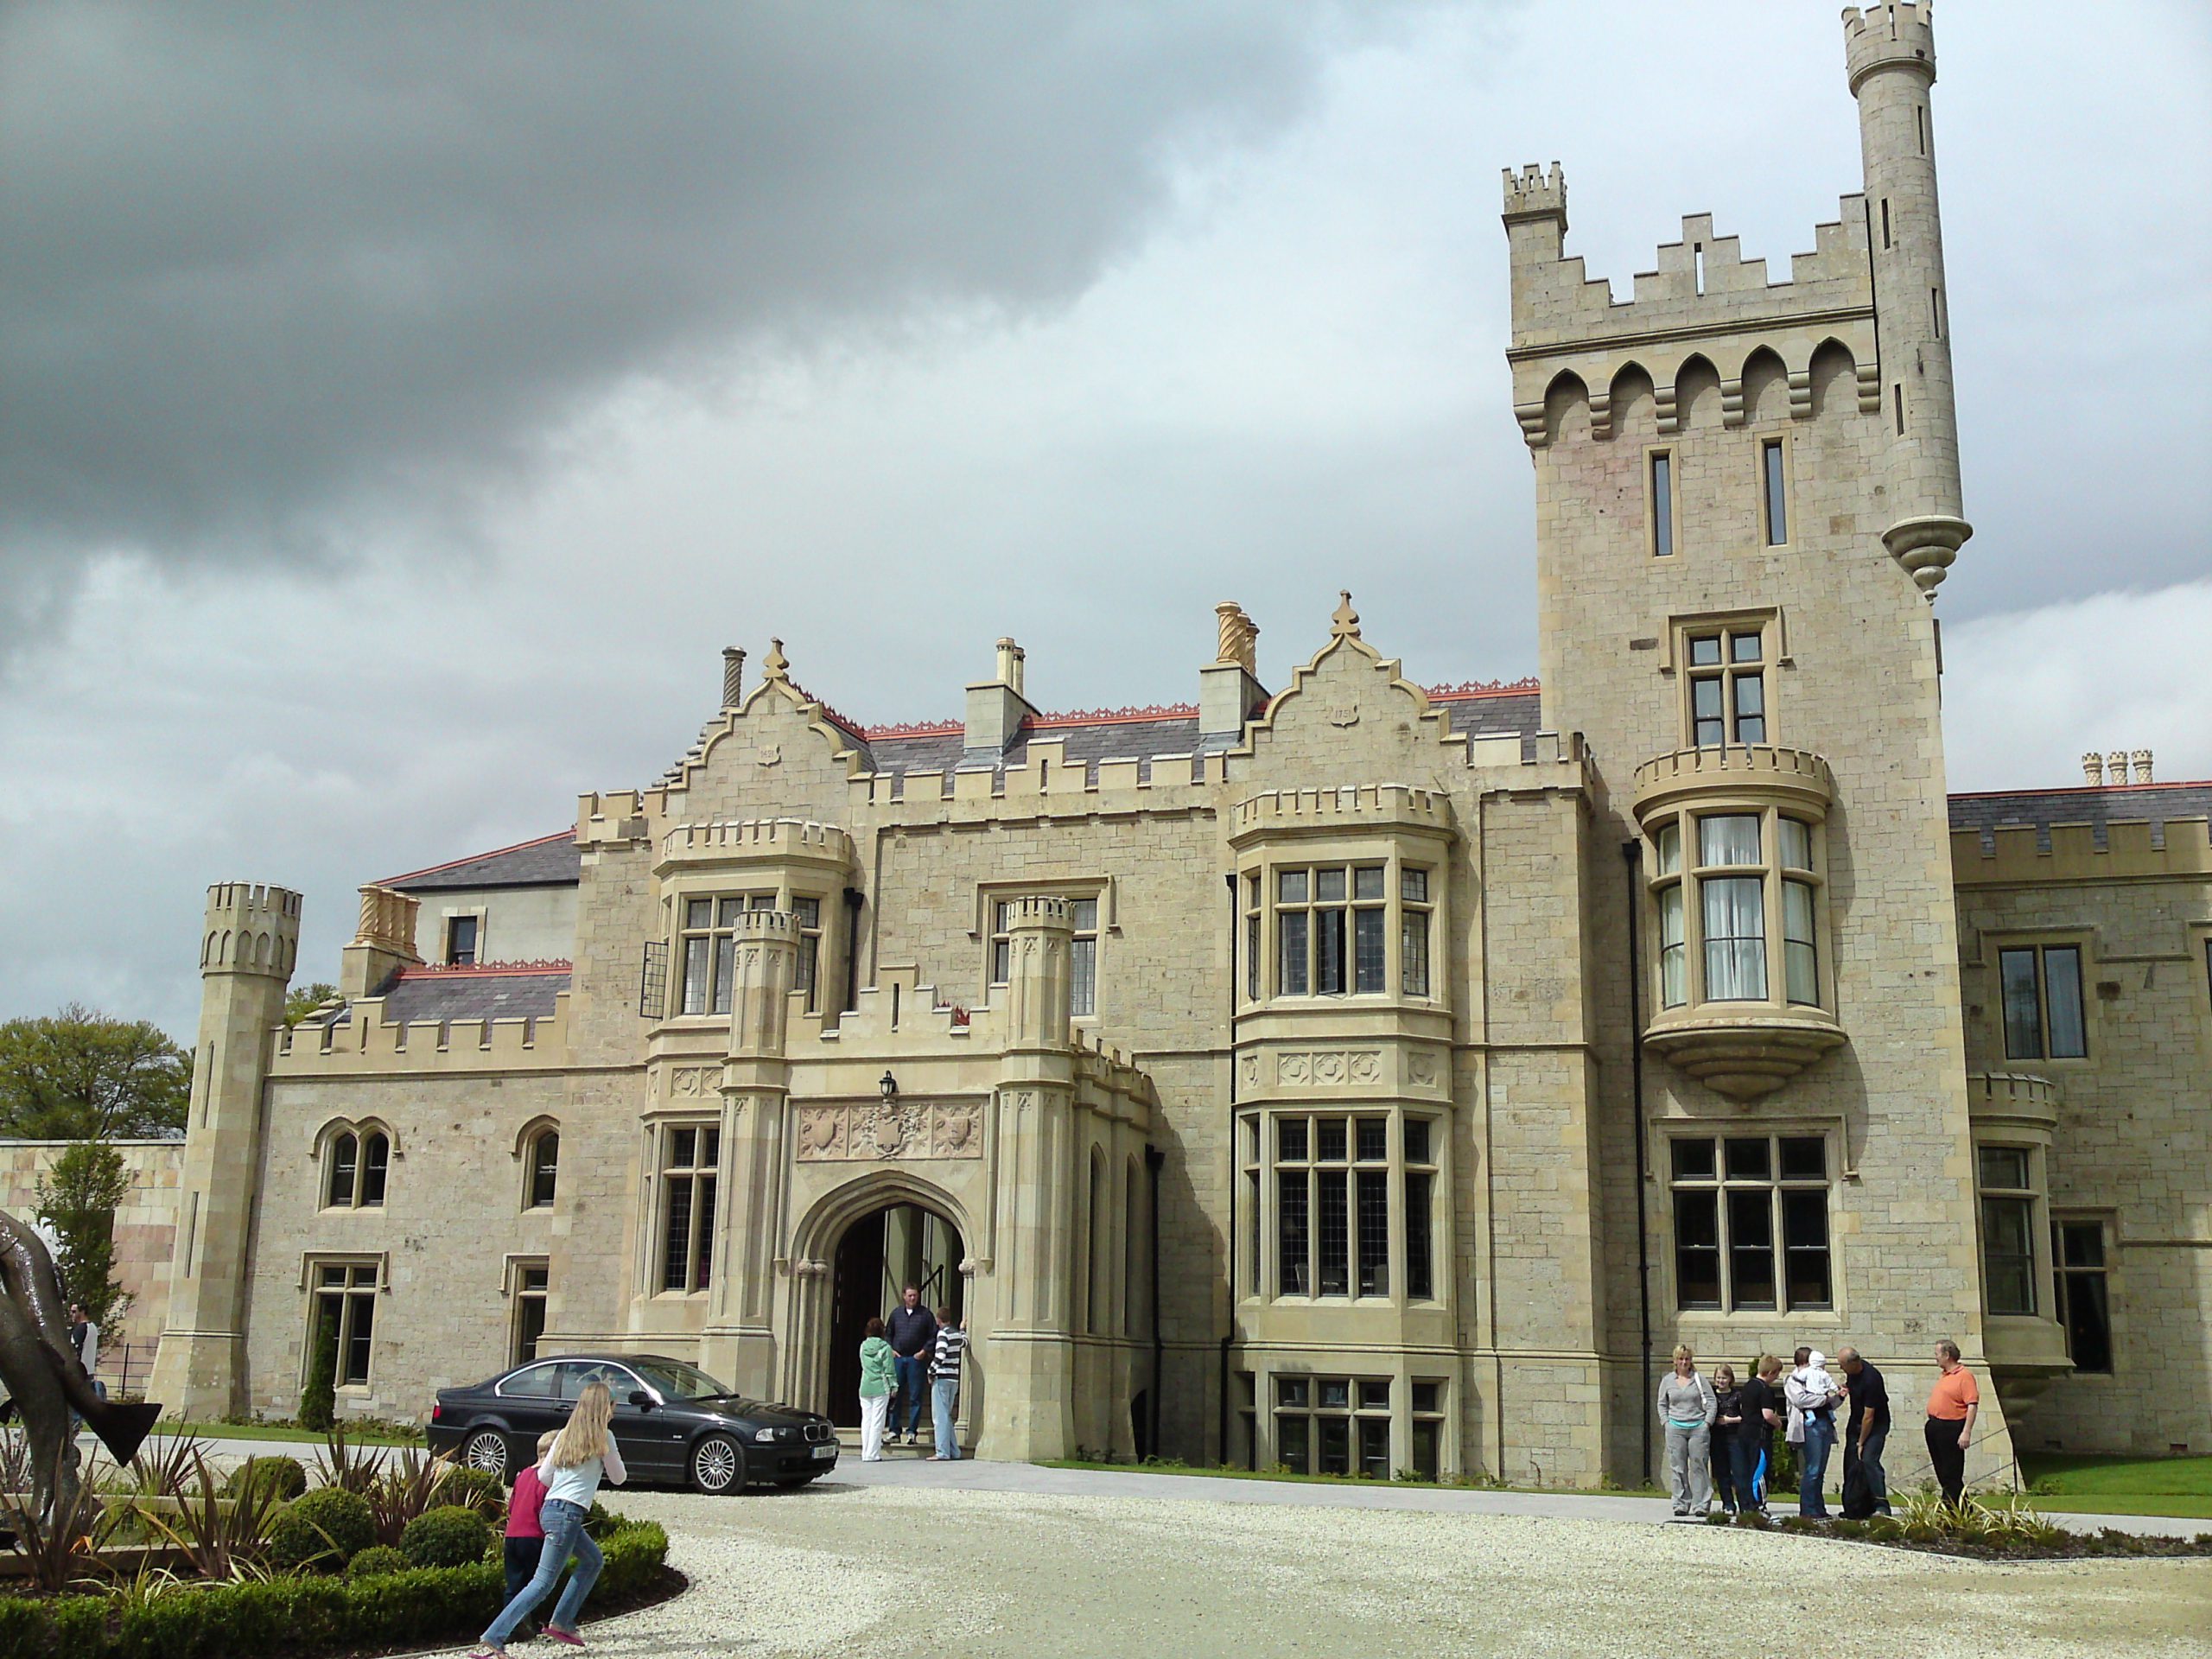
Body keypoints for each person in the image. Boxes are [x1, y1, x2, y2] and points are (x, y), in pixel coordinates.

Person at [471, 1380, 626, 1657]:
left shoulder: (565, 1435)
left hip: (553, 1510)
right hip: (568, 1514)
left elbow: (544, 1476)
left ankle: (562, 1621)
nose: (614, 1412)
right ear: (605, 1408)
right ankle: (495, 1636)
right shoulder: (605, 1437)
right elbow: (619, 1477)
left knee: (593, 1561)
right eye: (613, 1406)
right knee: (542, 1583)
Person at [500, 1431, 557, 1635]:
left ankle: (508, 1626)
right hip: (534, 1536)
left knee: (513, 1584)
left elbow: (511, 1507)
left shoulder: (522, 1475)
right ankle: (531, 1624)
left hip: (512, 1535)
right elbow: (547, 1510)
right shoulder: (548, 1479)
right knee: (536, 1584)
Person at [1655, 1344, 1716, 1520]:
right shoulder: (1667, 1381)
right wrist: (1666, 1422)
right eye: (1681, 1359)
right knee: (1678, 1467)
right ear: (1675, 1361)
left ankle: (1701, 1505)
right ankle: (1680, 1503)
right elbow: (1662, 1403)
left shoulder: (1699, 1379)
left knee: (1699, 1466)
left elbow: (1711, 1401)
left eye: (1687, 1359)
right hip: (1675, 1428)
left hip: (1698, 1428)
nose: (1684, 1362)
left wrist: (1707, 1423)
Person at [1785, 1348, 1841, 1518]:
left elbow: (1829, 1403)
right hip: (1809, 1427)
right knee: (1812, 1469)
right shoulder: (1794, 1379)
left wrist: (1839, 1396)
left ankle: (1819, 1507)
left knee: (1820, 1471)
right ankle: (1808, 1509)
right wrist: (1823, 1399)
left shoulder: (1818, 1376)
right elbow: (1800, 1400)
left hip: (1825, 1423)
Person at [1924, 1338, 1980, 1508]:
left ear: (1947, 1355)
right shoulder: (1945, 1375)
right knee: (1942, 1472)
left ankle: (1954, 1509)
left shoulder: (1964, 1376)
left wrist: (1966, 1432)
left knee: (1951, 1473)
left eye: (1937, 1354)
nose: (1935, 1358)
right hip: (1935, 1425)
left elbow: (1972, 1404)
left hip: (1951, 1427)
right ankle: (1958, 1508)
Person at [1838, 1345, 1891, 1516]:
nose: (1840, 1368)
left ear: (1853, 1364)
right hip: (1856, 1423)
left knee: (1869, 1460)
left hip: (1876, 1425)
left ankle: (1881, 1505)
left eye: (1842, 1365)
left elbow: (1869, 1416)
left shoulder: (1871, 1379)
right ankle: (1855, 1506)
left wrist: (1861, 1442)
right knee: (1851, 1462)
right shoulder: (1853, 1373)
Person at [885, 1285, 938, 1446]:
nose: (913, 1298)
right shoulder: (896, 1314)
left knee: (916, 1396)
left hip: (916, 1360)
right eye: (910, 1295)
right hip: (899, 1359)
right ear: (904, 1296)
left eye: (915, 1295)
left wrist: (924, 1351)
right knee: (895, 1395)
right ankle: (894, 1430)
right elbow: (888, 1333)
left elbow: (933, 1335)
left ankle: (912, 1432)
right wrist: (891, 1350)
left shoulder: (925, 1314)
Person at [1735, 1355, 1783, 1515]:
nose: (1777, 1377)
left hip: (1743, 1434)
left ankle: (1745, 1505)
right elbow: (1768, 1414)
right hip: (1759, 1435)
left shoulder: (1748, 1385)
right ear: (1770, 1372)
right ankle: (1758, 1505)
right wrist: (1778, 1423)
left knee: (1745, 1471)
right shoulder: (1765, 1389)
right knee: (1759, 1471)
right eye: (1776, 1374)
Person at [927, 1305, 967, 1462]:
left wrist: (930, 1371)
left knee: (939, 1417)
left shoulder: (942, 1334)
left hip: (942, 1377)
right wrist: (962, 1329)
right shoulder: (956, 1334)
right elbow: (965, 1343)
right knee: (946, 1415)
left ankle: (942, 1451)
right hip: (954, 1378)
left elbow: (940, 1354)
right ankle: (954, 1450)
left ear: (938, 1320)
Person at [858, 1317, 898, 1461]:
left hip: (865, 1386)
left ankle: (865, 1452)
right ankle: (873, 1453)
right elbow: (889, 1370)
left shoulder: (863, 1346)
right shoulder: (885, 1348)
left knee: (866, 1420)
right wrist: (894, 1386)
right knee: (877, 1421)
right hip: (881, 1386)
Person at [1709, 1363, 1744, 1516]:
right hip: (1717, 1438)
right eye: (1718, 1378)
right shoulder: (1711, 1395)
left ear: (1730, 1379)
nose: (1721, 1381)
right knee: (1721, 1473)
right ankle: (1728, 1504)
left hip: (1735, 1437)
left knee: (1738, 1472)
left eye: (1724, 1377)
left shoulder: (1738, 1395)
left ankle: (1744, 1503)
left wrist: (1730, 1420)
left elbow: (1746, 1416)